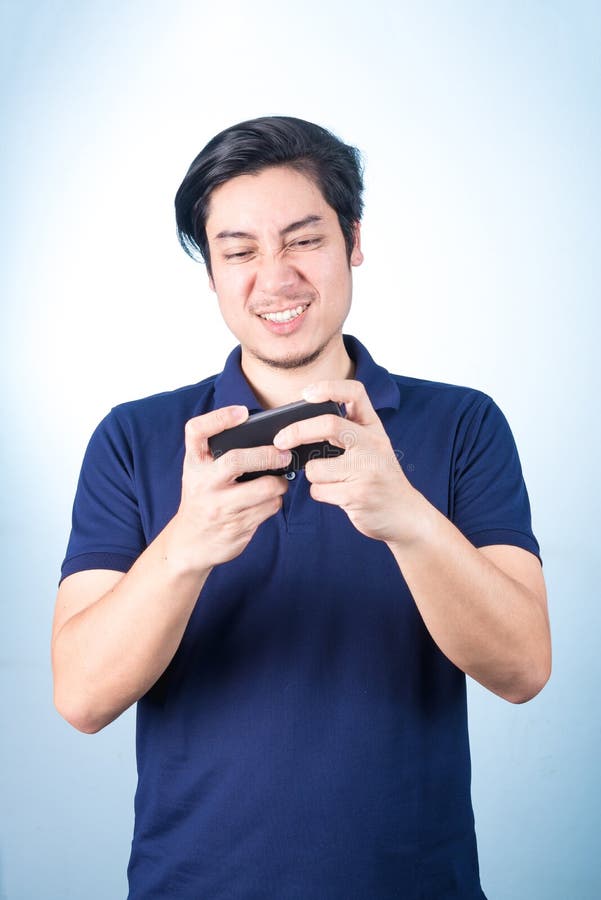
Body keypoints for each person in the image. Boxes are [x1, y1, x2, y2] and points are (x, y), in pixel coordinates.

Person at [52, 116, 551, 899]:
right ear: (211, 272)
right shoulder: (135, 437)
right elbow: (81, 698)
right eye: (239, 252)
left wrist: (406, 518)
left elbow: (522, 668)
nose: (274, 277)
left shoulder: (462, 424)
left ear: (353, 240)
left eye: (304, 240)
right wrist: (186, 545)